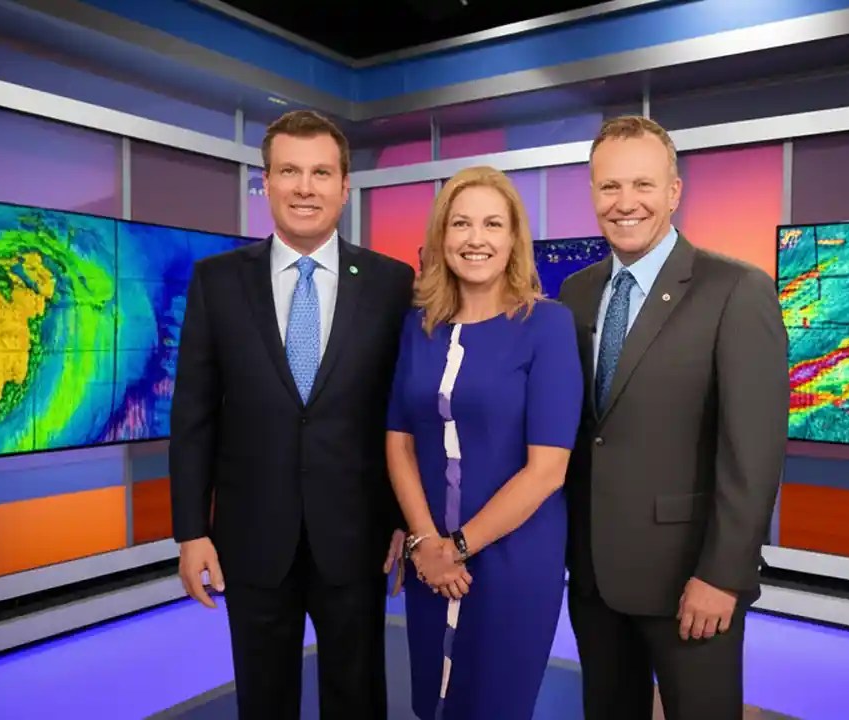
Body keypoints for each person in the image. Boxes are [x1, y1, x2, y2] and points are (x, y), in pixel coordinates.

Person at [169, 109, 415, 720]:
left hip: (356, 538)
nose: (305, 187)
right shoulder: (217, 282)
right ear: (267, 183)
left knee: (357, 699)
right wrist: (191, 532)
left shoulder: (391, 283)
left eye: (321, 173)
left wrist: (401, 520)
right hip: (252, 540)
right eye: (289, 172)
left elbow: (401, 412)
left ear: (344, 186)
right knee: (264, 700)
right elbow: (194, 414)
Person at [557, 115, 789, 720]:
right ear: (592, 193)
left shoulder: (736, 290)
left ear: (674, 192)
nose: (625, 202)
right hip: (594, 578)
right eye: (609, 186)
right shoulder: (576, 294)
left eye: (643, 185)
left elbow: (753, 452)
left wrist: (724, 575)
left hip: (691, 581)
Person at [385, 166, 584, 720]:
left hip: (513, 560)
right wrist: (426, 543)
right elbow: (399, 443)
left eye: (493, 224)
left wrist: (456, 548)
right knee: (432, 701)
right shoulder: (418, 327)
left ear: (514, 237)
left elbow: (547, 470)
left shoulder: (548, 326)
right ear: (441, 235)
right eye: (461, 223)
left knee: (493, 704)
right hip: (429, 558)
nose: (476, 239)